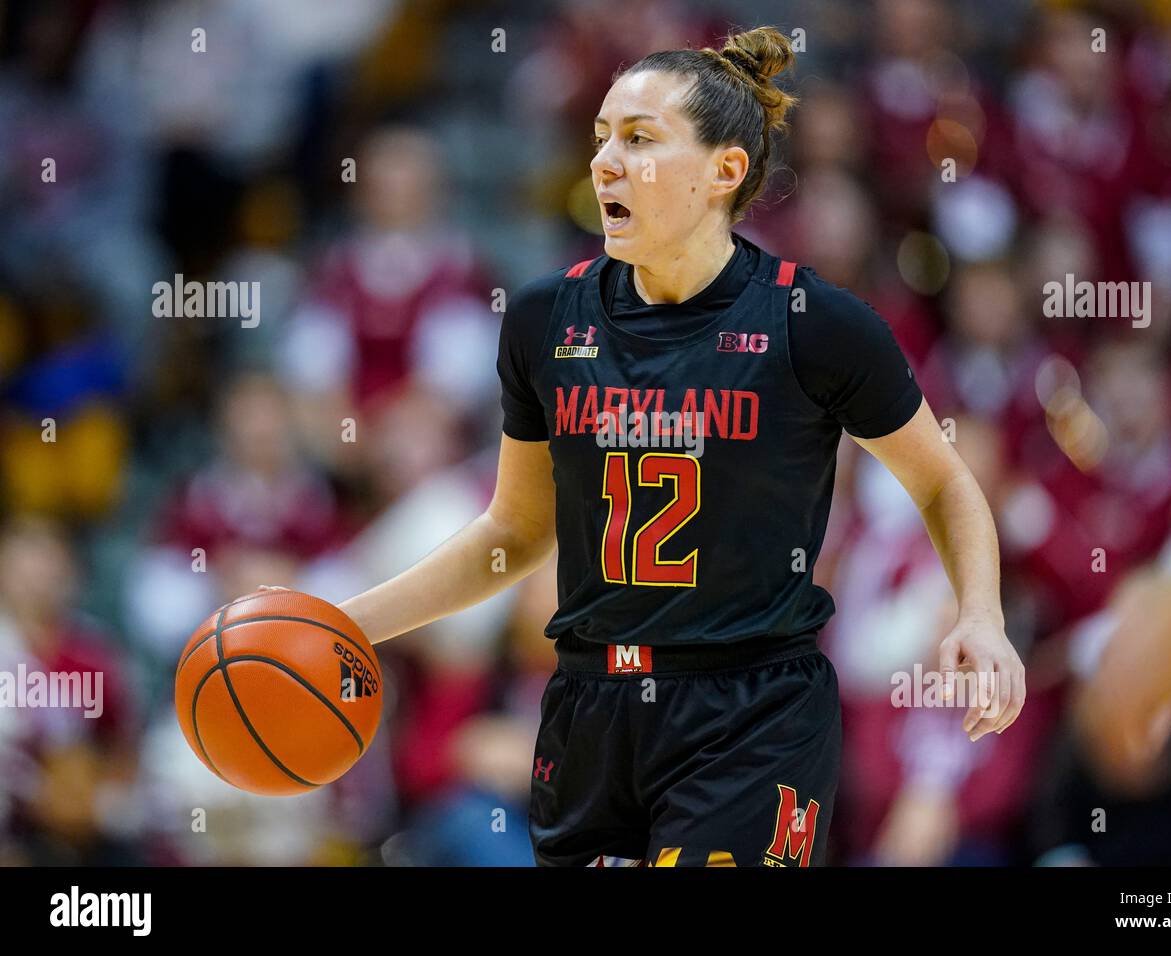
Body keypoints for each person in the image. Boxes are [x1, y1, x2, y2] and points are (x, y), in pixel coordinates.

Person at [333, 25, 1025, 867]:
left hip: (752, 712)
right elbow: (514, 535)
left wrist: (981, 616)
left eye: (639, 139)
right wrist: (347, 623)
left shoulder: (814, 324)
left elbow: (945, 483)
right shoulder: (546, 320)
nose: (605, 162)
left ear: (723, 173)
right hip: (592, 705)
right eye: (600, 140)